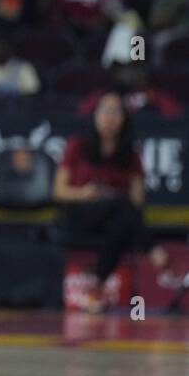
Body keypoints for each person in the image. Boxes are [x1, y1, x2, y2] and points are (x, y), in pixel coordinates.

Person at [54, 91, 167, 313]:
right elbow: (59, 191)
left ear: (124, 119)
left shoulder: (130, 155)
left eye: (116, 112)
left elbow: (137, 200)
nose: (109, 117)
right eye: (105, 110)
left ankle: (97, 285)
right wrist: (86, 193)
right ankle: (153, 251)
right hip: (80, 212)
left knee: (121, 218)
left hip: (113, 221)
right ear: (95, 115)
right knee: (122, 207)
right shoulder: (77, 145)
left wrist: (112, 196)